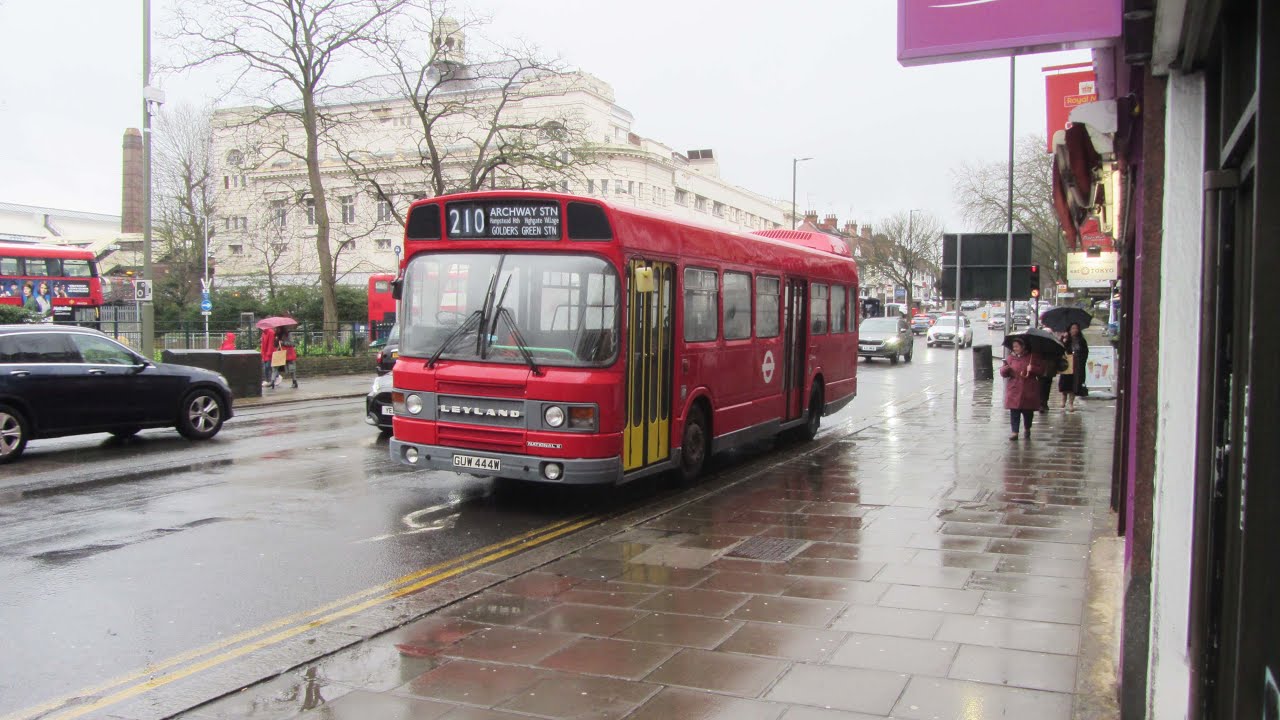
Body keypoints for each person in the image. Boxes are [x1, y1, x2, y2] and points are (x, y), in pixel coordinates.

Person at [1000, 338, 1045, 440]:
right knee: (1014, 411)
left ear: (1023, 346)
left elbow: (1042, 371)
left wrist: (1033, 368)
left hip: (1028, 388)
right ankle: (1015, 432)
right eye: (1013, 347)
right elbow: (1003, 373)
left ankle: (1027, 428)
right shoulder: (1010, 358)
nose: (1014, 348)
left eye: (1017, 346)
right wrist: (1005, 369)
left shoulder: (1032, 357)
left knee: (1027, 412)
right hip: (1014, 388)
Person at [1058, 322, 1089, 411]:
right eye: (1072, 328)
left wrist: (1081, 359)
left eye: (1076, 328)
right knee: (1065, 383)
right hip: (1067, 364)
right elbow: (1060, 349)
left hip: (1077, 365)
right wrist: (1063, 340)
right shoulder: (1066, 339)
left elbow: (1085, 352)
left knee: (1074, 385)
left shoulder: (1081, 340)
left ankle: (1071, 403)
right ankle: (1063, 400)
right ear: (1069, 330)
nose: (1074, 330)